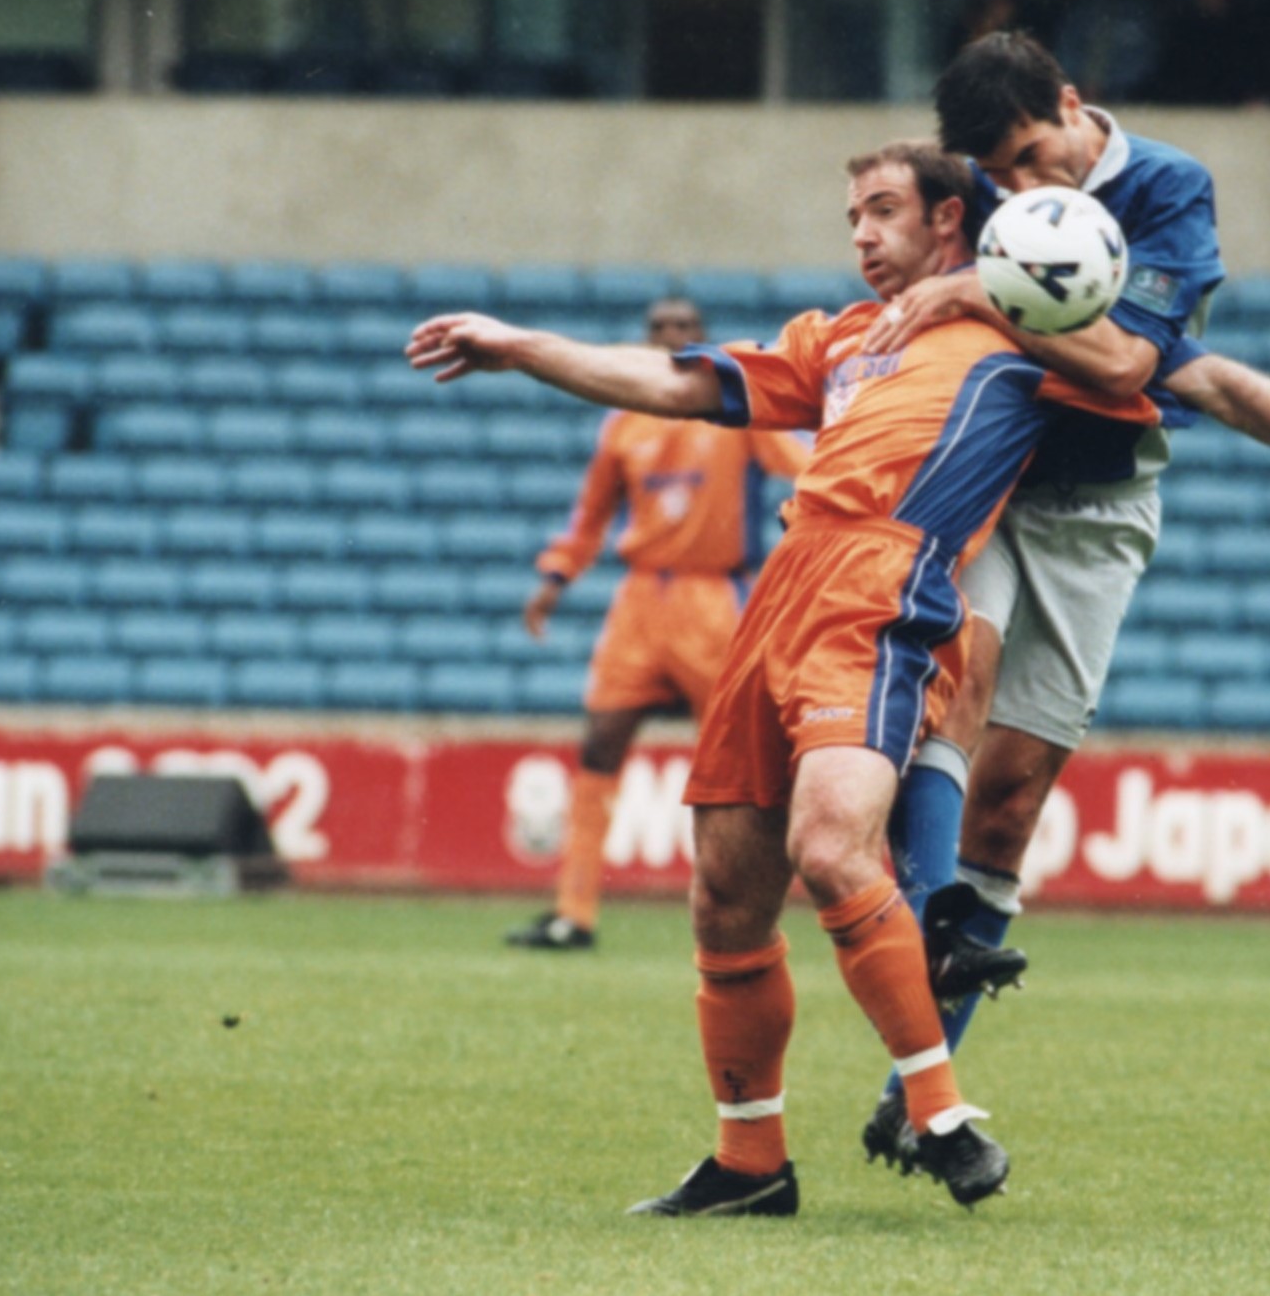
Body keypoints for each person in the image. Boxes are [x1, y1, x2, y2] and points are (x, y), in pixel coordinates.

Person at [406, 140, 1165, 1216]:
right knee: (723, 888)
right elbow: (676, 382)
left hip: (885, 579)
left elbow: (1140, 370)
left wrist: (992, 281)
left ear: (952, 219)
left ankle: (940, 1112)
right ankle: (749, 1163)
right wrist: (524, 347)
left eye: (883, 211)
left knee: (827, 840)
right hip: (779, 590)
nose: (860, 234)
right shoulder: (837, 338)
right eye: (851, 213)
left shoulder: (1024, 329)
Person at [855, 30, 1270, 1173]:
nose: (1026, 190)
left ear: (1074, 105)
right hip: (989, 477)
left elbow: (1138, 365)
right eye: (1002, 175)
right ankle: (931, 1054)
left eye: (1040, 159)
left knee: (1010, 804)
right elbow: (893, 216)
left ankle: (919, 1069)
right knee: (963, 671)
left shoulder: (1166, 187)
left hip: (1099, 511)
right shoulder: (982, 195)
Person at [505, 296, 808, 952]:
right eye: (660, 331)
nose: (672, 339)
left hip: (712, 598)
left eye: (685, 330)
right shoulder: (623, 427)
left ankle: (759, 900)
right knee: (600, 743)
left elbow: (801, 465)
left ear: (702, 341)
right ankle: (573, 912)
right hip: (641, 600)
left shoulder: (733, 414)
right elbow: (590, 515)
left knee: (741, 756)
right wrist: (556, 576)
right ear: (643, 342)